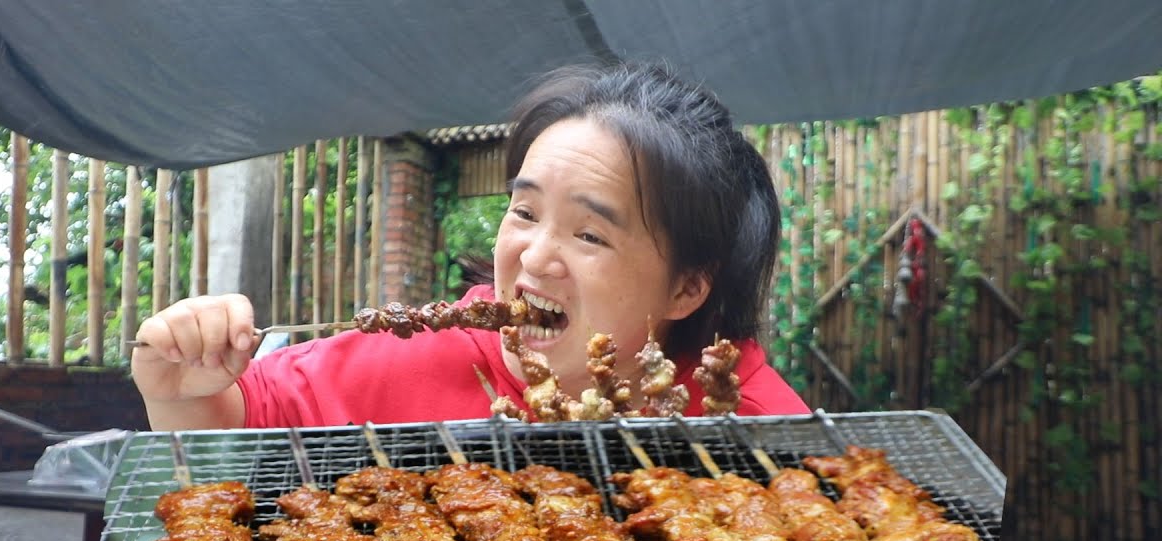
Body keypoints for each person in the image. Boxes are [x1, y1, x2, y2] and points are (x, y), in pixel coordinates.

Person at [131, 61, 809, 430]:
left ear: (687, 286)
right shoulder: (422, 357)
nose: (534, 257)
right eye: (524, 212)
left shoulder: (750, 419)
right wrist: (182, 392)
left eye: (589, 234)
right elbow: (240, 414)